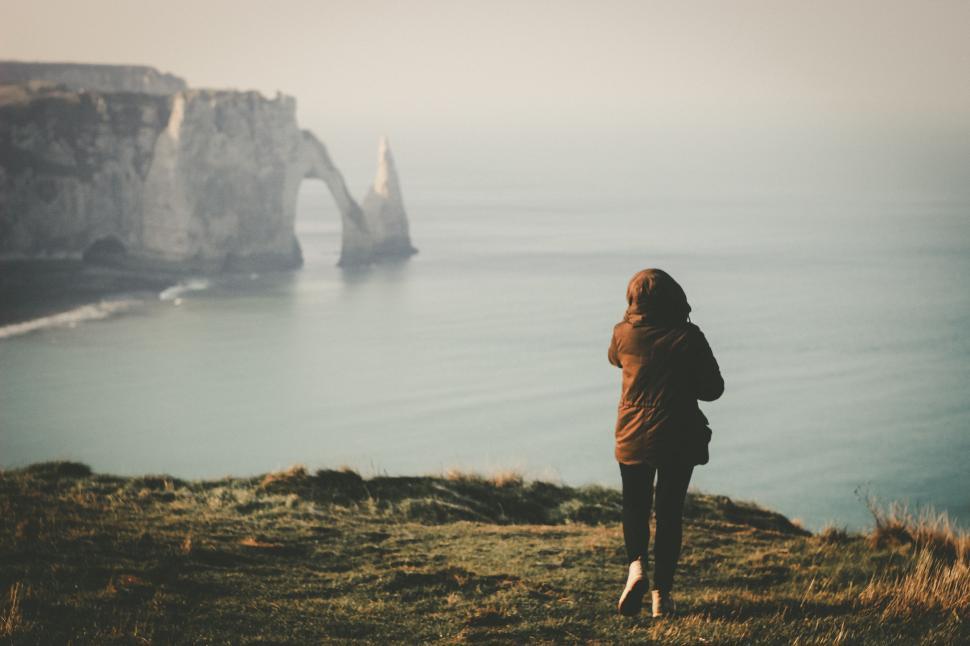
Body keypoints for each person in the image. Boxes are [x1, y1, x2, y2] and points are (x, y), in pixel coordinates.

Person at [608, 268, 724, 618]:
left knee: (634, 505)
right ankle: (662, 596)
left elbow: (615, 360)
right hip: (677, 434)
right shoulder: (688, 337)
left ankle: (636, 569)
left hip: (631, 434)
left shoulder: (622, 334)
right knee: (670, 512)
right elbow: (713, 389)